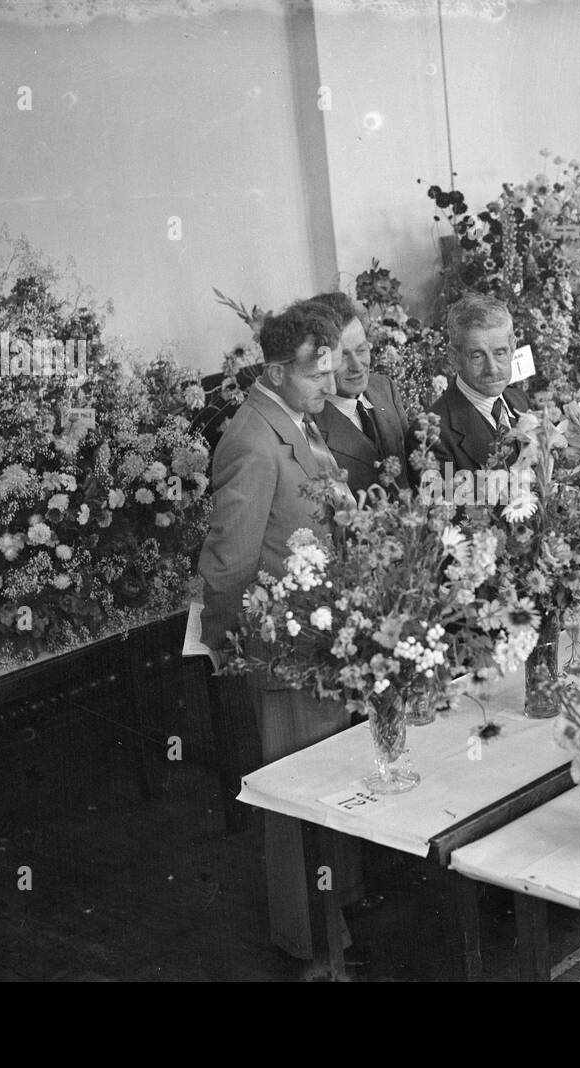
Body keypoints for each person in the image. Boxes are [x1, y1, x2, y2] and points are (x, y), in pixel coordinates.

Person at [195, 300, 361, 963]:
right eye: (318, 374)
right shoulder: (251, 440)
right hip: (283, 648)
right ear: (275, 368)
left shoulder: (295, 418)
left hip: (320, 635)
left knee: (333, 784)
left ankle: (339, 912)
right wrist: (236, 650)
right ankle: (304, 937)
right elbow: (229, 562)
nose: (331, 385)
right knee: (298, 799)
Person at [307, 291, 413, 495]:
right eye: (343, 356)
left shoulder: (384, 387)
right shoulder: (310, 424)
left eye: (362, 349)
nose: (358, 366)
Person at [417, 293, 530, 481]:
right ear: (454, 357)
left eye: (500, 353)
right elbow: (448, 509)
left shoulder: (519, 400)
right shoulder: (432, 436)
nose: (492, 369)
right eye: (477, 356)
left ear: (513, 348)